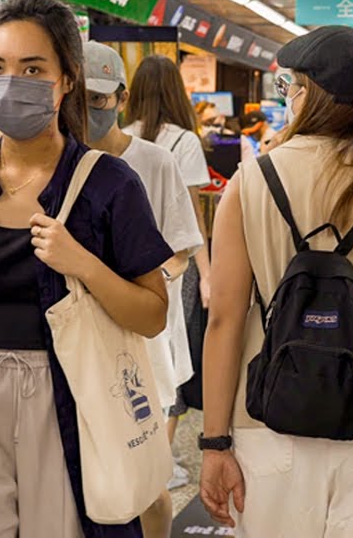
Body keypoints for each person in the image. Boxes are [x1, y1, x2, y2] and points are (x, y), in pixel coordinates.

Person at [0, 0, 173, 538]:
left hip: (71, 400)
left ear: (67, 80)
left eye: (32, 68)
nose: (11, 82)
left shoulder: (109, 185)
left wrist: (81, 263)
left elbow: (153, 313)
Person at [199, 26, 353, 537]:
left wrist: (214, 443)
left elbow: (223, 319)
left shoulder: (253, 180)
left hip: (267, 419)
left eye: (292, 84)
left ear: (308, 93)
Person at [81, 42, 204, 538]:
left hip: (144, 338)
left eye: (99, 99)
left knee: (147, 474)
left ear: (121, 97)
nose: (89, 110)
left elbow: (182, 245)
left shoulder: (154, 163)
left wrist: (155, 286)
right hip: (78, 340)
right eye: (78, 98)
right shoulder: (54, 157)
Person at [123, 55, 212, 488]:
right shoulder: (184, 143)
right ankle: (162, 457)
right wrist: (208, 275)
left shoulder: (117, 138)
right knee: (172, 356)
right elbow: (193, 219)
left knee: (129, 354)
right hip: (172, 266)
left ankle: (133, 448)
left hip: (122, 267)